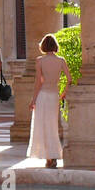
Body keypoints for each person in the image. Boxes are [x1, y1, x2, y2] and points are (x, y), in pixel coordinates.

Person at [28, 34, 70, 168]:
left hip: (42, 96)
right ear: (55, 46)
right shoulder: (61, 60)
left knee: (42, 126)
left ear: (43, 46)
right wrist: (63, 93)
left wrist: (33, 100)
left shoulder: (40, 60)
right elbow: (69, 79)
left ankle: (49, 157)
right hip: (54, 96)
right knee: (52, 126)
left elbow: (38, 83)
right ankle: (53, 156)